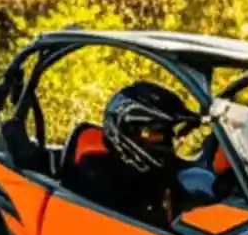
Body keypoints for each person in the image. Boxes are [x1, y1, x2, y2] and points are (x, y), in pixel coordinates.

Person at [69, 81, 206, 224]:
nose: (166, 139)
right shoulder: (95, 181)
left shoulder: (163, 172)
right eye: (157, 132)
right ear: (130, 132)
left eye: (168, 132)